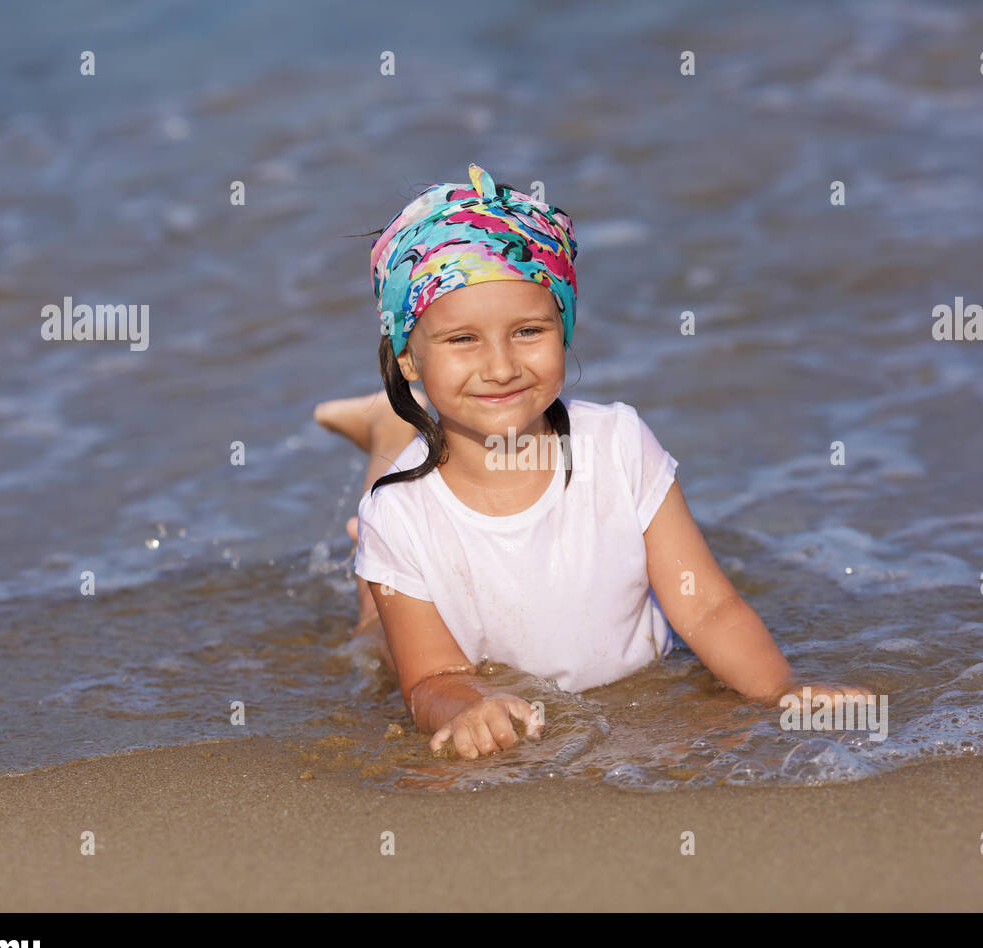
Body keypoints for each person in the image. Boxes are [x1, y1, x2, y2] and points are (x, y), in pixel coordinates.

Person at [316, 163, 870, 760]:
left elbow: (708, 607)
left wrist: (780, 689)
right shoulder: (401, 515)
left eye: (528, 331)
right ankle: (388, 434)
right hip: (405, 524)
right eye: (462, 340)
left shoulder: (619, 445)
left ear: (565, 329)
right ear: (408, 359)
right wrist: (468, 703)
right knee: (376, 633)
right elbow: (430, 680)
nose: (501, 367)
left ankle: (390, 430)